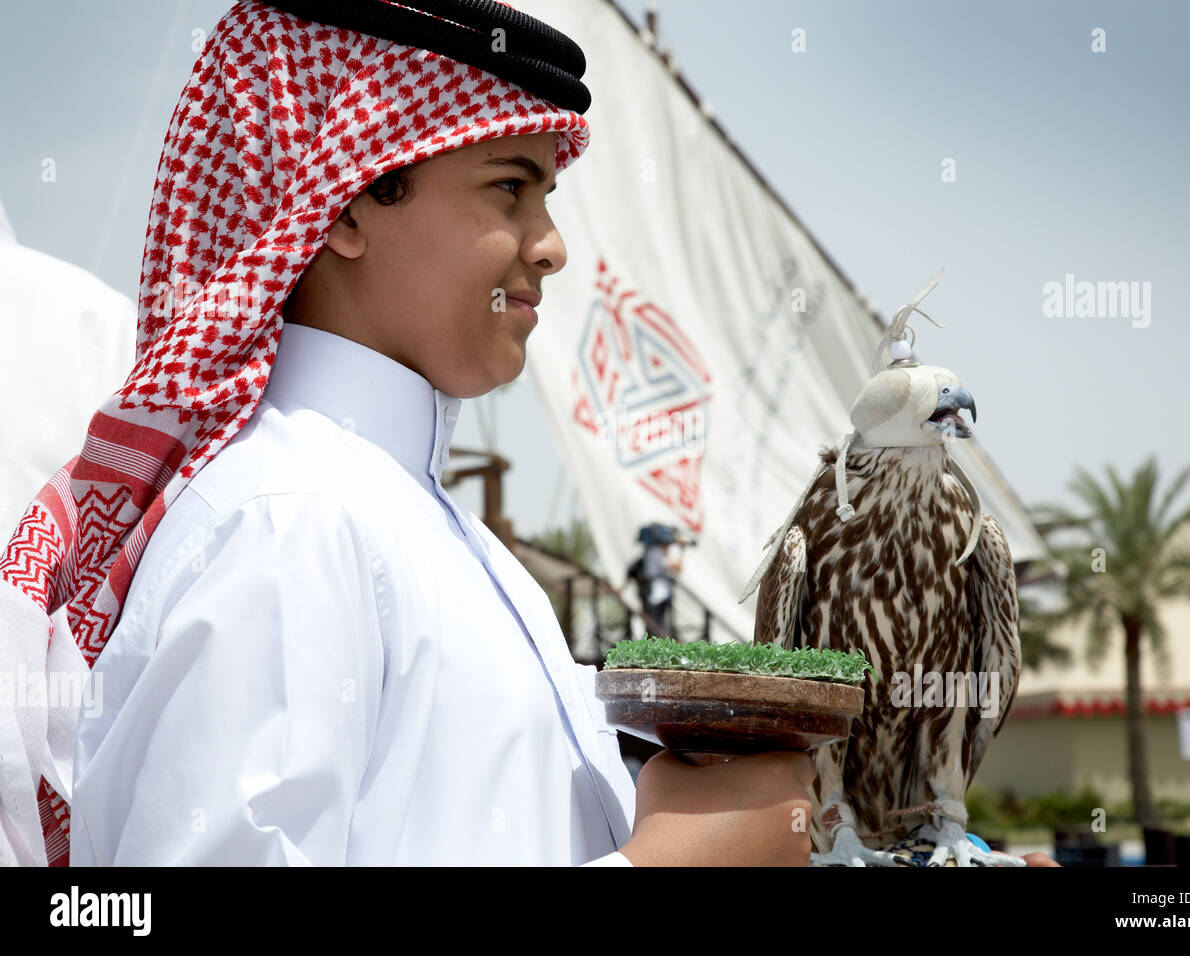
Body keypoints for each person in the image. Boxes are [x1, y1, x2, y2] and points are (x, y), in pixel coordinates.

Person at [0, 0, 814, 867]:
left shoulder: (442, 541)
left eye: (547, 193)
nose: (551, 246)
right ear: (346, 204)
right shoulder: (287, 525)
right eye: (510, 187)